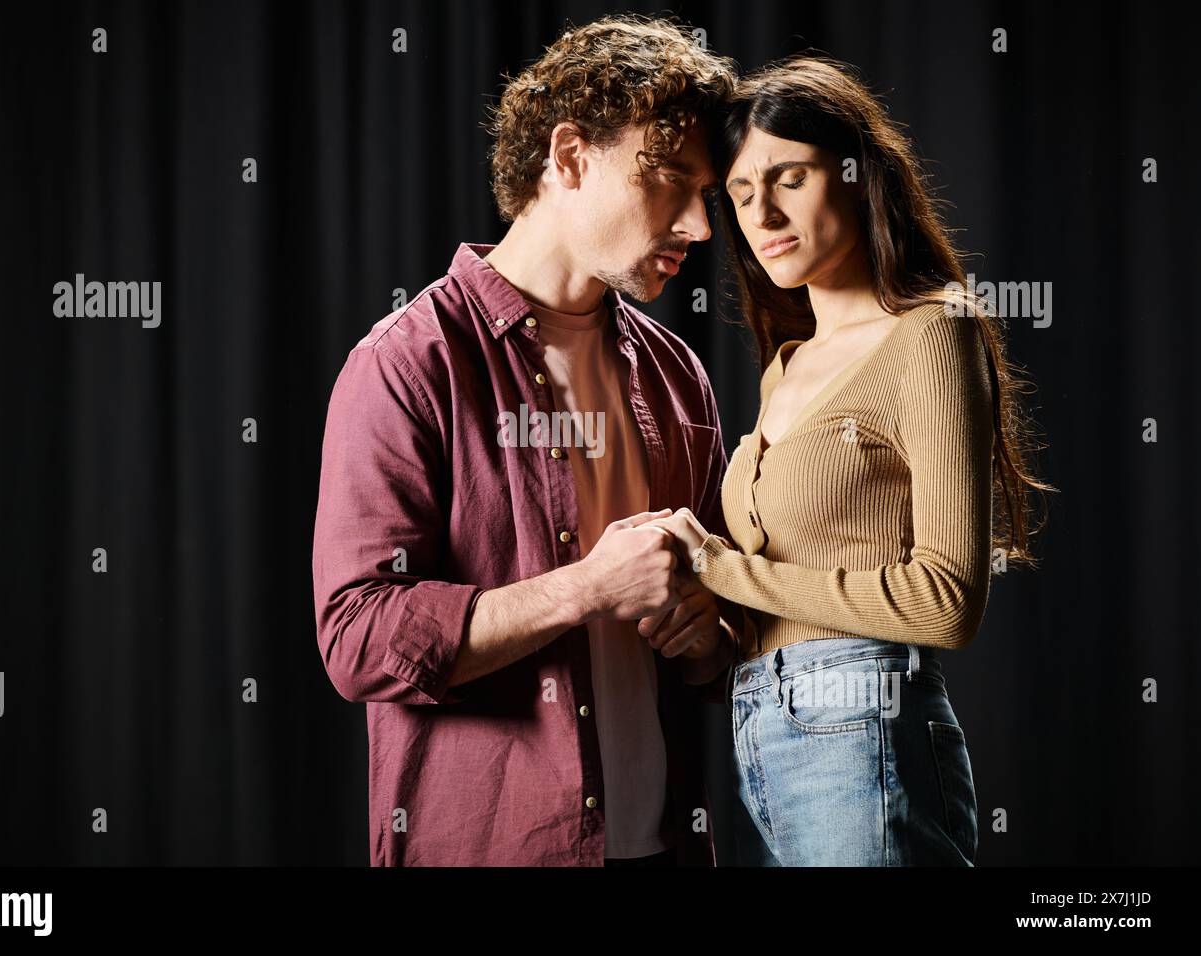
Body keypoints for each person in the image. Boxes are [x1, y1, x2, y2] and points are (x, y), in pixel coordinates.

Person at [312, 15, 741, 866]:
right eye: (668, 180)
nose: (698, 223)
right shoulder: (408, 363)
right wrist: (585, 587)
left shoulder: (677, 373)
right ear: (571, 156)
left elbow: (722, 636)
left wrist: (709, 636)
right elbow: (357, 639)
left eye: (711, 194)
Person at [647, 54, 1055, 865]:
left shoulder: (932, 332)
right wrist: (711, 622)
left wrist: (721, 568)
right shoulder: (786, 363)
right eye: (738, 192)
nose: (762, 211)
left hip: (862, 722)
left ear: (855, 173)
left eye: (788, 176)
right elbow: (790, 592)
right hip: (760, 729)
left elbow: (945, 601)